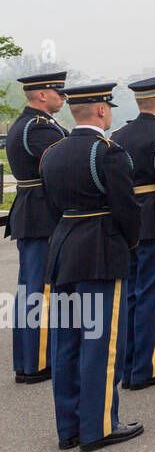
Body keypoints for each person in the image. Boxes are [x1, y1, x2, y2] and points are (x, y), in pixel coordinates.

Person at [39, 83, 143, 452]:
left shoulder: (52, 153)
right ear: (101, 110)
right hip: (99, 252)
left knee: (66, 344)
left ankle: (68, 428)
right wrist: (128, 246)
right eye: (109, 107)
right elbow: (127, 210)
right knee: (100, 343)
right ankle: (98, 427)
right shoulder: (107, 153)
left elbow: (52, 207)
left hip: (63, 249)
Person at [111, 76, 155, 390]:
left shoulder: (116, 135)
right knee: (153, 297)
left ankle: (127, 366)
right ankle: (145, 369)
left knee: (130, 296)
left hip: (126, 225)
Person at [4, 72, 68, 384]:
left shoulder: (32, 123)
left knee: (32, 288)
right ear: (42, 94)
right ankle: (37, 362)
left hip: (35, 210)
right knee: (39, 290)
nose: (64, 97)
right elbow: (65, 163)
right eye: (59, 91)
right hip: (41, 212)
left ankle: (30, 360)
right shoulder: (38, 127)